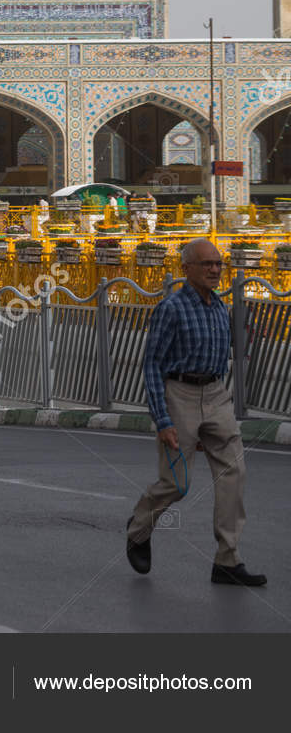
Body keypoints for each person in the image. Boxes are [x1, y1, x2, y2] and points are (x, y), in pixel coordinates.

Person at [125, 238, 266, 587]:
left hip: (216, 395)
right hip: (179, 395)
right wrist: (164, 420)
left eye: (218, 264)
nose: (215, 270)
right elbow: (152, 365)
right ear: (186, 269)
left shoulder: (219, 307)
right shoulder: (171, 308)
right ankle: (139, 529)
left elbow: (223, 359)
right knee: (177, 484)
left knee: (235, 473)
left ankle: (227, 561)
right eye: (206, 264)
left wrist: (213, 413)